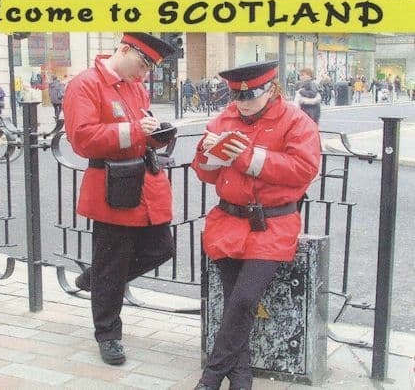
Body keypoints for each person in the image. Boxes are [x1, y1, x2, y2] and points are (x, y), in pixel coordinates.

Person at [192, 61, 320, 390]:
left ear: (271, 89)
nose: (243, 103)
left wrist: (247, 157)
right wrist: (207, 154)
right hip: (229, 222)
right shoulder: (224, 119)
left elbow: (303, 169)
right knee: (236, 302)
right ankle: (241, 377)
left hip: (272, 224)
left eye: (250, 96)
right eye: (237, 96)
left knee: (244, 300)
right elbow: (206, 173)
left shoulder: (296, 121)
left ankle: (211, 376)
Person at [62, 33, 177, 366]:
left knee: (161, 249)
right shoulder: (85, 84)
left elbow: (140, 131)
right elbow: (82, 139)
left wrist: (156, 135)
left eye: (149, 69)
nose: (144, 74)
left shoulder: (134, 86)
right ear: (124, 49)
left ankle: (95, 279)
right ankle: (108, 334)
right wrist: (137, 130)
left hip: (141, 183)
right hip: (111, 186)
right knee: (112, 264)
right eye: (142, 64)